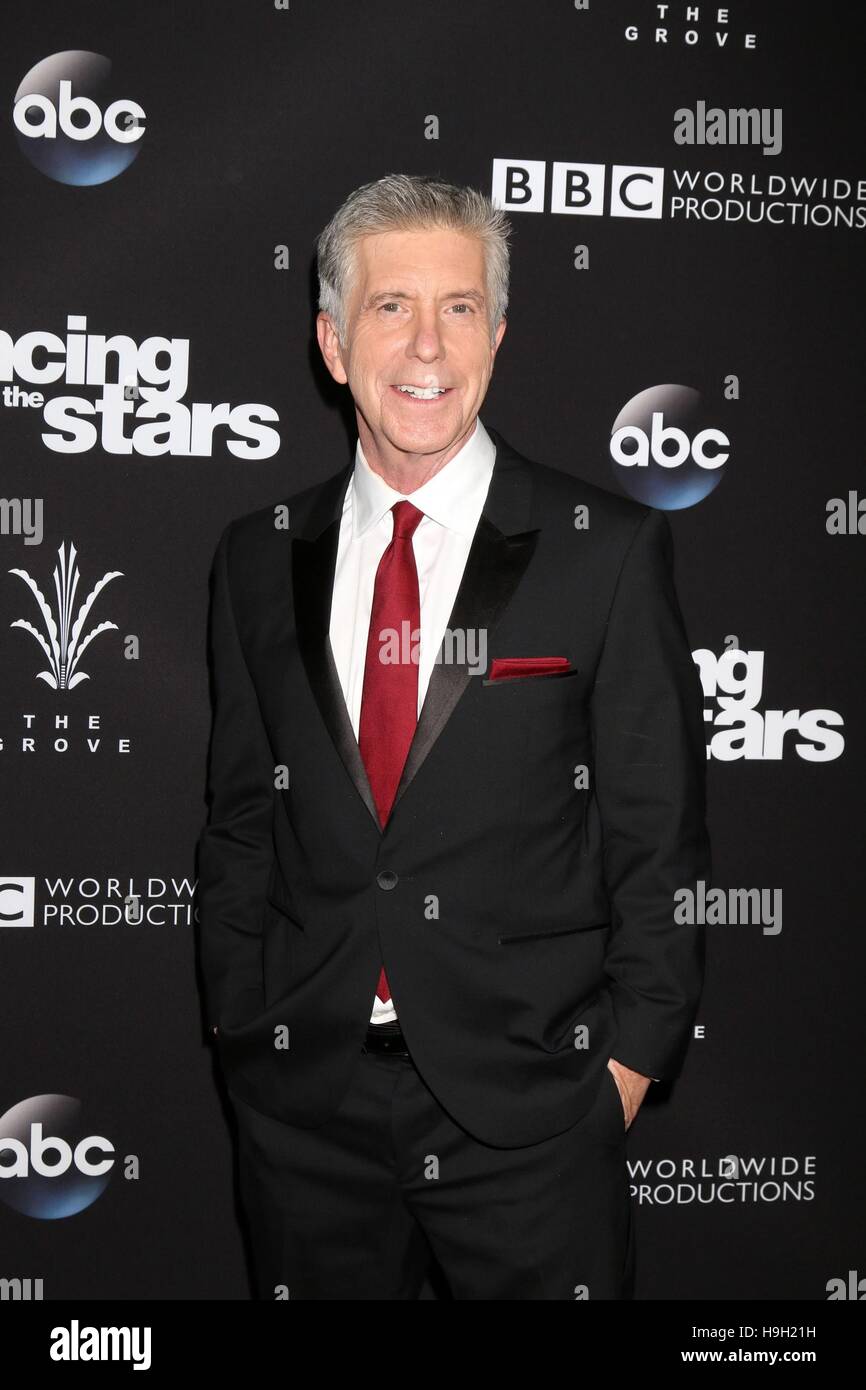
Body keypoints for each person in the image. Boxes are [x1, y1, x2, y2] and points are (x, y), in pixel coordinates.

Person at [197, 172, 710, 1300]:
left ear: (498, 332)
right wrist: (246, 1029)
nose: (426, 342)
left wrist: (622, 1072)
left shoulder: (601, 551)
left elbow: (655, 837)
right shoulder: (253, 556)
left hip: (531, 1115)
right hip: (305, 1114)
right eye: (390, 307)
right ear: (333, 342)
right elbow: (241, 823)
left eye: (460, 307)